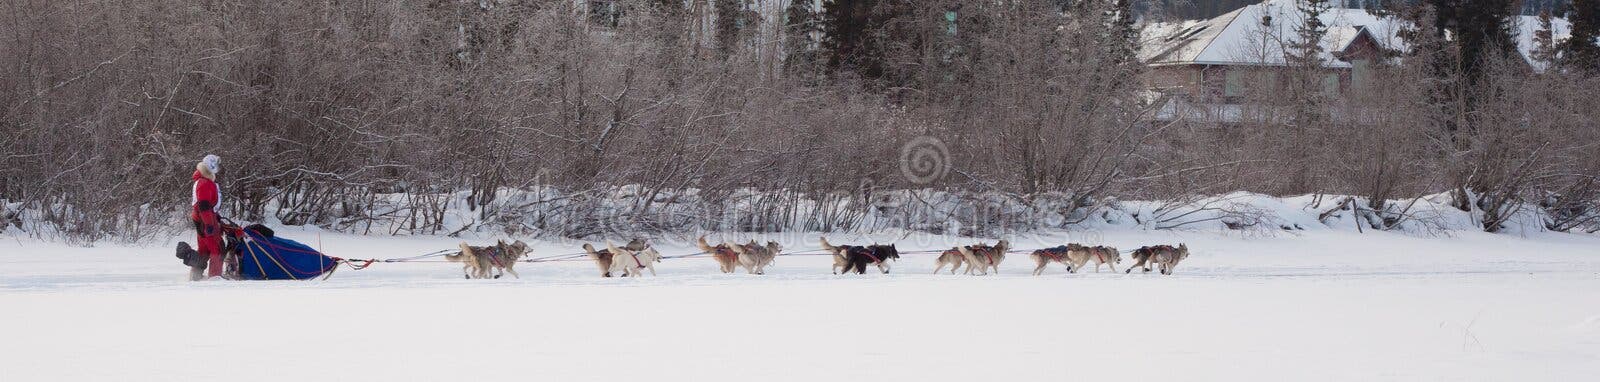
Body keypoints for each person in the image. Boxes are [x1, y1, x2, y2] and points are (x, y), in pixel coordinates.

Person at [190, 154, 223, 281]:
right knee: (217, 248)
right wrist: (209, 224)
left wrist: (216, 216)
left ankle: (195, 276)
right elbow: (204, 205)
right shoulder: (205, 183)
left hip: (201, 220)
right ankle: (215, 277)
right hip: (206, 221)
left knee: (204, 249)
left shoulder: (201, 180)